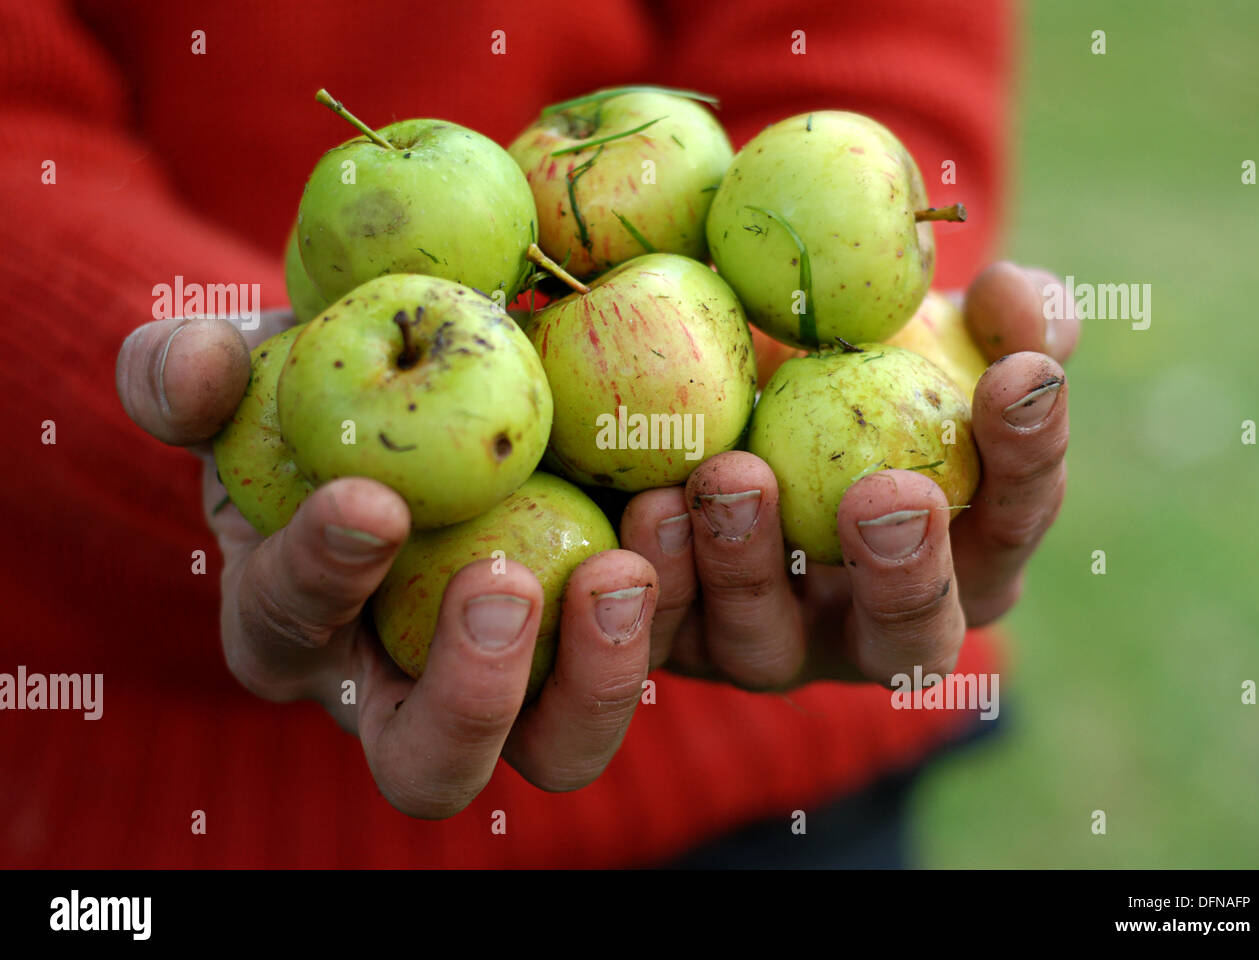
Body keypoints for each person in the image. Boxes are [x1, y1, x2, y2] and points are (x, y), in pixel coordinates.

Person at [0, 0, 1076, 867]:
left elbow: (862, 41)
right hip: (146, 791)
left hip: (782, 797)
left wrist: (868, 329)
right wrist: (203, 410)